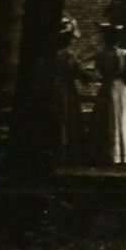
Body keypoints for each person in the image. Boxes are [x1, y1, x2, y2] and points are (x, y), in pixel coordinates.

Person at [89, 23, 126, 164]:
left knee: (106, 116)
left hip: (106, 87)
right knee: (120, 116)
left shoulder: (100, 54)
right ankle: (121, 153)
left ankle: (106, 152)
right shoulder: (124, 54)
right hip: (119, 87)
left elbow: (97, 70)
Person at [50, 24, 89, 162]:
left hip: (55, 87)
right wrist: (86, 76)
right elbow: (76, 71)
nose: (73, 42)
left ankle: (57, 149)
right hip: (67, 88)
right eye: (71, 39)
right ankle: (68, 151)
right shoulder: (68, 54)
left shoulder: (54, 54)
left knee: (58, 116)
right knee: (68, 116)